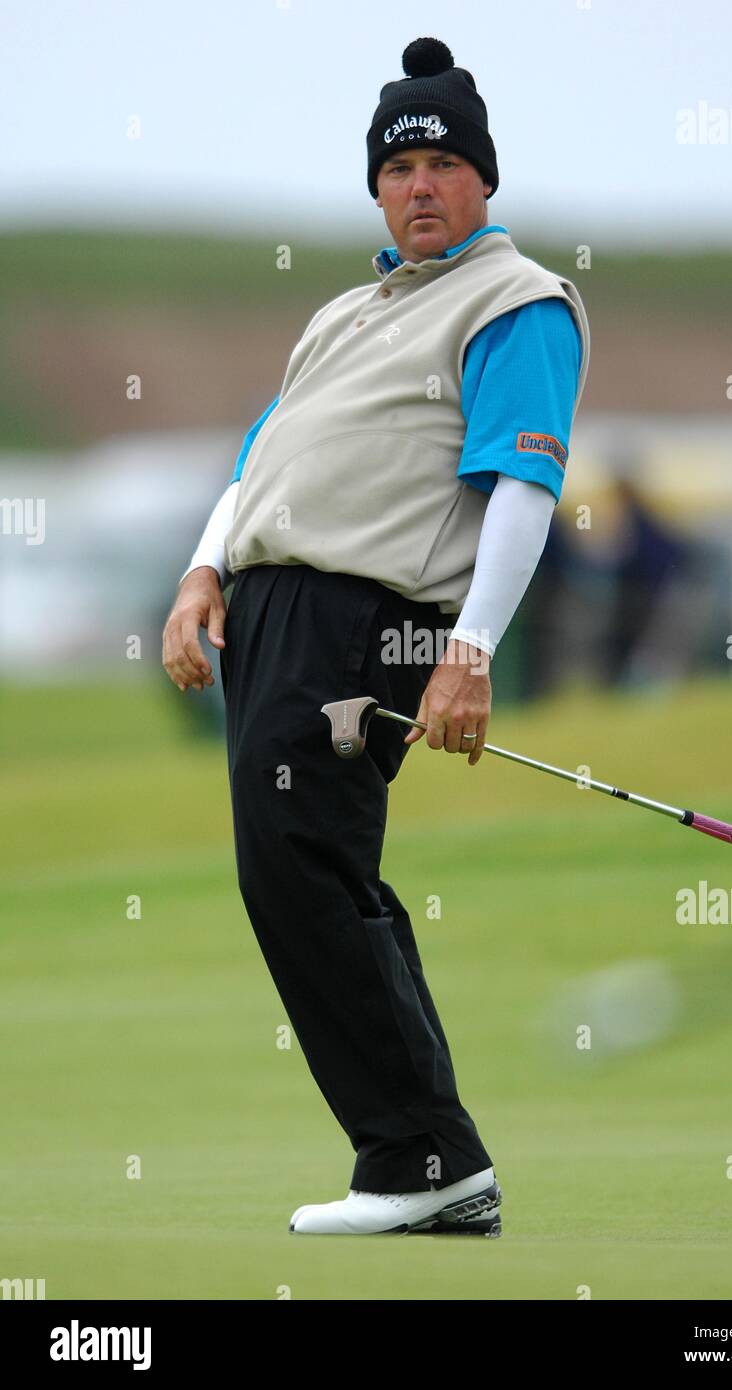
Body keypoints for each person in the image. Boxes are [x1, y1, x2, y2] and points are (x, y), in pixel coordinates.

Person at [162, 36, 590, 1236]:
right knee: (295, 865)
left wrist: (468, 651)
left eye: (446, 163)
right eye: (400, 169)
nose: (421, 186)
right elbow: (260, 462)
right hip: (273, 613)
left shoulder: (517, 303)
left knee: (303, 858)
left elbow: (518, 486)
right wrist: (204, 569)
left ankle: (422, 1157)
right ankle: (422, 1158)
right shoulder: (341, 315)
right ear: (375, 187)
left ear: (482, 180)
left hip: (374, 624)